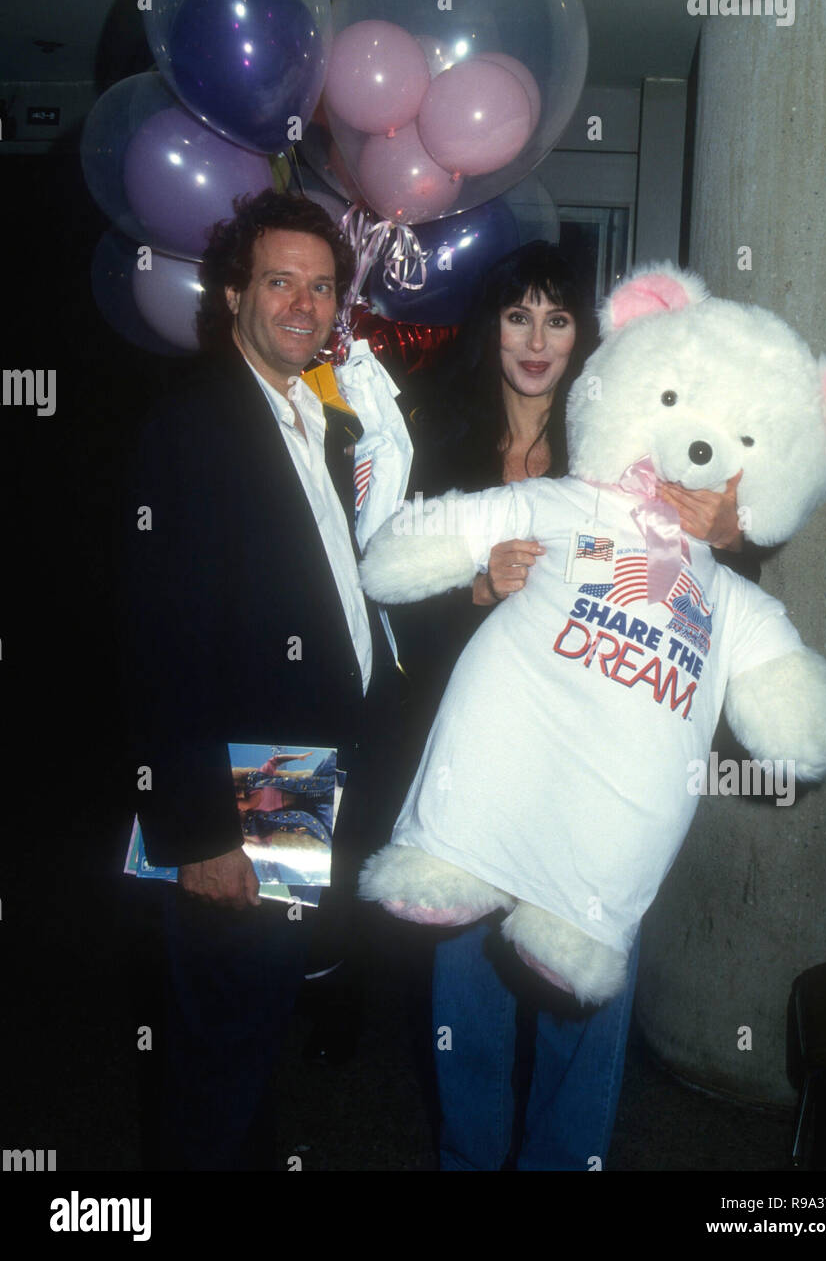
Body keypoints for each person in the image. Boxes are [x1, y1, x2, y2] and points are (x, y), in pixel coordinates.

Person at [389, 242, 751, 1171]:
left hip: (600, 766)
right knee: (465, 990)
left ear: (583, 334)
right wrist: (471, 588)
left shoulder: (629, 442)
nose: (537, 339)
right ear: (490, 328)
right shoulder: (435, 435)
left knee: (583, 990)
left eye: (557, 318)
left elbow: (706, 586)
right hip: (486, 758)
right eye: (518, 316)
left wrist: (732, 530)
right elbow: (382, 583)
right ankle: (469, 1159)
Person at [123, 189, 398, 1169]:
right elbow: (155, 639)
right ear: (235, 291)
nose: (303, 304)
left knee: (249, 1021)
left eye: (321, 287)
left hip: (294, 772)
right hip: (239, 787)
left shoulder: (309, 417)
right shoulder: (193, 426)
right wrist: (198, 832)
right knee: (217, 1041)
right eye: (280, 280)